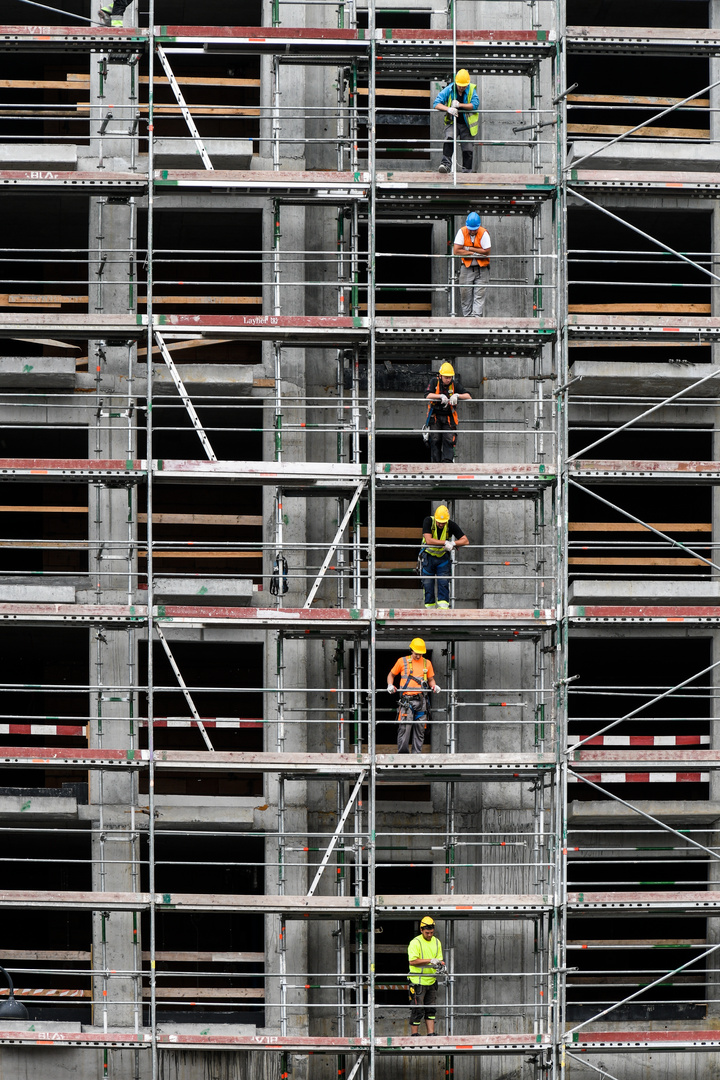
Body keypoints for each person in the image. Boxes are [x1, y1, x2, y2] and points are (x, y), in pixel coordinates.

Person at [387, 638, 441, 755]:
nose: (418, 656)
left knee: (420, 730)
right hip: (407, 702)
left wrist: (434, 686)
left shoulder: (427, 663)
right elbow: (391, 675)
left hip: (422, 702)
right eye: (416, 654)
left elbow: (430, 679)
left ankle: (416, 756)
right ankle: (403, 756)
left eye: (420, 654)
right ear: (411, 650)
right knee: (404, 729)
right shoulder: (402, 661)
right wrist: (390, 685)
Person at [420, 504, 469, 610]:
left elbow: (465, 540)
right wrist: (446, 542)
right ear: (435, 518)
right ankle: (430, 610)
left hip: (442, 558)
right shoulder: (428, 521)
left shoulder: (450, 524)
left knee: (443, 583)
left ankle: (443, 610)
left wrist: (454, 543)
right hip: (428, 557)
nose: (441, 524)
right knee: (428, 584)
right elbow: (428, 540)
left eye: (443, 522)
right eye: (439, 522)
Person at [432, 69, 479, 174]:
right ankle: (445, 165)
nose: (462, 88)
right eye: (460, 86)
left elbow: (475, 105)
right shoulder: (450, 89)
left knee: (467, 148)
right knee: (449, 139)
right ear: (456, 82)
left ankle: (467, 171)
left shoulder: (471, 89)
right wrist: (448, 109)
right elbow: (436, 104)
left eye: (464, 86)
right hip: (453, 122)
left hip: (467, 124)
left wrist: (460, 105)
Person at [424, 361, 471, 464]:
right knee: (435, 439)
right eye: (446, 377)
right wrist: (439, 396)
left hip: (448, 417)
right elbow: (427, 395)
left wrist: (457, 396)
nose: (448, 379)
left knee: (449, 439)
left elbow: (468, 396)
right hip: (435, 416)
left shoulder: (454, 385)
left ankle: (447, 462)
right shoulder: (434, 382)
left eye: (450, 377)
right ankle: (436, 463)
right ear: (440, 376)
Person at [408, 916, 444, 1036]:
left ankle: (431, 1033)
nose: (429, 935)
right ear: (421, 930)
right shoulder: (415, 942)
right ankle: (414, 1035)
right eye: (427, 932)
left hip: (431, 981)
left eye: (431, 932)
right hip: (418, 981)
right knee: (417, 1008)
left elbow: (439, 959)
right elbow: (412, 961)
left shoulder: (436, 942)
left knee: (431, 1009)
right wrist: (430, 960)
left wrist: (440, 963)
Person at [454, 212, 491, 317]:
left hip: (482, 269)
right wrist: (473, 253)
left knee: (479, 296)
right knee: (465, 296)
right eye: (470, 229)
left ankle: (476, 319)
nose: (472, 231)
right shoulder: (462, 232)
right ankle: (467, 319)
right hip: (467, 268)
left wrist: (468, 248)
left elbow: (486, 251)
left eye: (475, 229)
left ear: (478, 227)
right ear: (467, 226)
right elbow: (456, 251)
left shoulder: (483, 233)